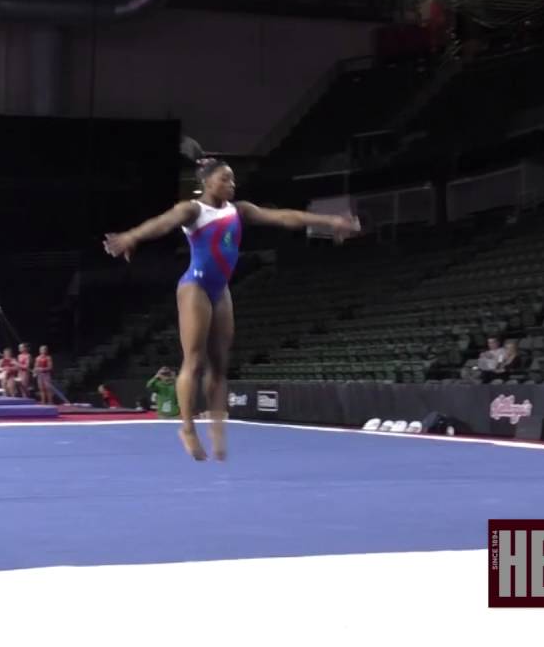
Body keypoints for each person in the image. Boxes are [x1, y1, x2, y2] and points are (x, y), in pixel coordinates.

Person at [103, 157, 358, 460]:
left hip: (220, 289)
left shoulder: (241, 210)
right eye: (225, 179)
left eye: (233, 179)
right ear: (207, 182)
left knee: (220, 365)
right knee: (194, 361)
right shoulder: (193, 210)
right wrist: (132, 236)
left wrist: (330, 222)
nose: (232, 184)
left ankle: (217, 427)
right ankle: (186, 427)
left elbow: (284, 217)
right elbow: (163, 222)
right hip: (194, 285)